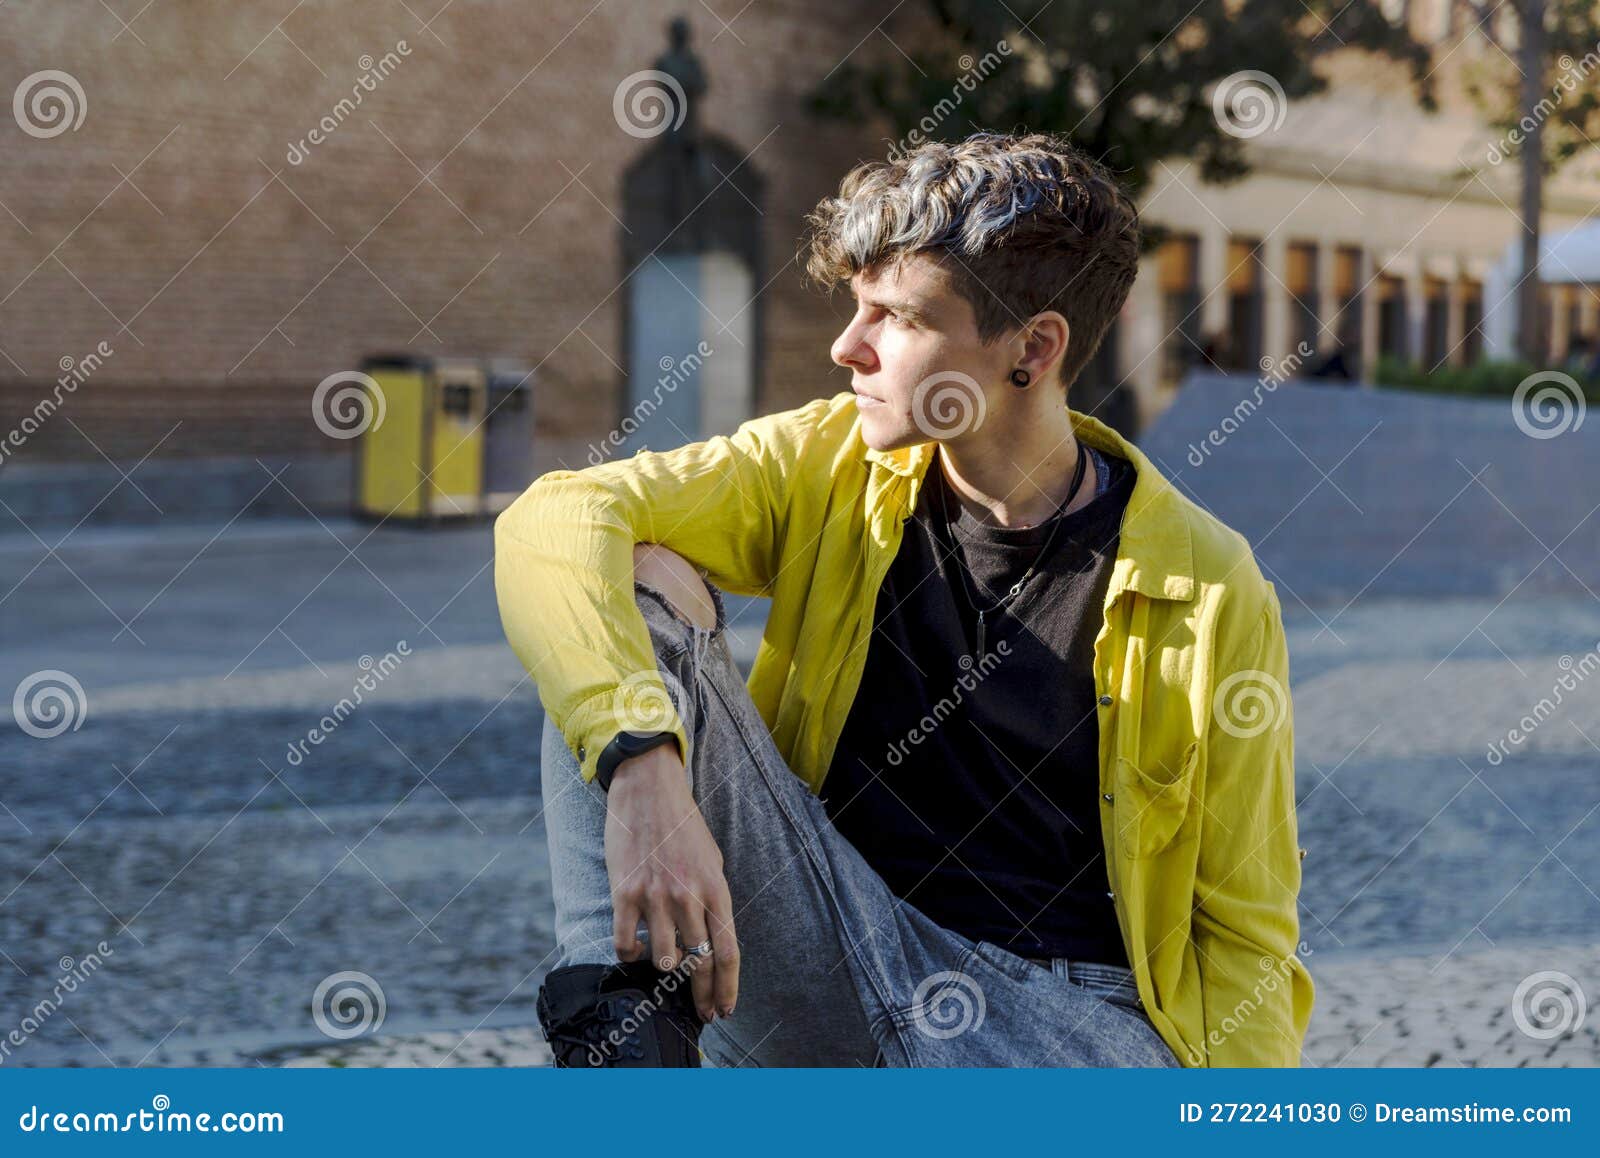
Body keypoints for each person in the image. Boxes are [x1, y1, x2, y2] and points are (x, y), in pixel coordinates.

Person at [495, 130, 1313, 1068]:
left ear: (1032, 349)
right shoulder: (826, 466)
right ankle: (627, 1036)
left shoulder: (1205, 581)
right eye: (856, 308)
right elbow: (553, 521)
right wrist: (644, 770)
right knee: (633, 586)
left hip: (1051, 1028)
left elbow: (1246, 932)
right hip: (827, 943)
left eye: (897, 317)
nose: (849, 348)